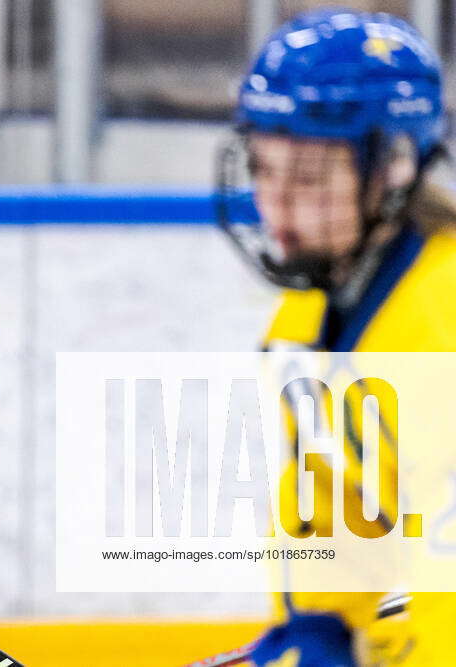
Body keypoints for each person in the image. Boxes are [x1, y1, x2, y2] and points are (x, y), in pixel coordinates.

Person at [216, 9, 456, 666]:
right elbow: (335, 509)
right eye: (264, 169)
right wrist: (321, 628)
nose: (277, 205)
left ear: (395, 168)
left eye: (310, 177)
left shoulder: (441, 324)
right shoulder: (305, 319)